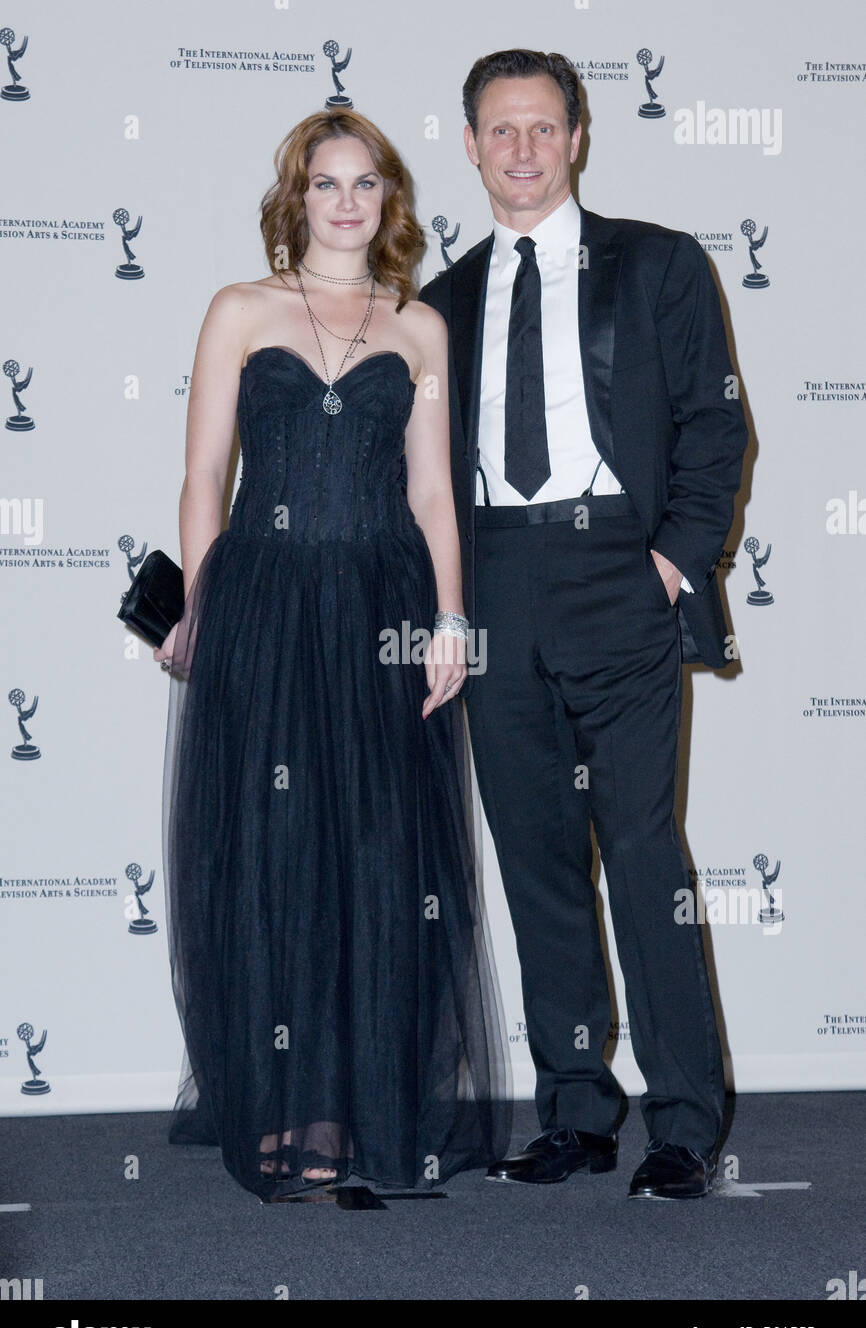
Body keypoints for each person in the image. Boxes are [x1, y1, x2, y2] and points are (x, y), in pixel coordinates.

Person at [154, 109, 510, 1202]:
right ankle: (280, 1115)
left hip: (382, 611)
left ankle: (359, 1113)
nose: (345, 202)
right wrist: (203, 607)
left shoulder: (417, 329)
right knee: (275, 859)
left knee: (377, 865)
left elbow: (433, 492)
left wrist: (449, 618)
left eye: (364, 184)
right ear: (293, 200)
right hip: (263, 605)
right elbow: (203, 476)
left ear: (389, 201)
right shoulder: (239, 310)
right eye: (324, 184)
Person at [419, 49, 749, 1199]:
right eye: (498, 130)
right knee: (536, 858)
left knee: (645, 853)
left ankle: (683, 1120)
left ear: (576, 137)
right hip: (496, 579)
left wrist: (668, 561)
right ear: (469, 144)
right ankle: (573, 1106)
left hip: (618, 568)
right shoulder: (441, 302)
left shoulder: (655, 265)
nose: (520, 149)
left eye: (541, 128)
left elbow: (714, 431)